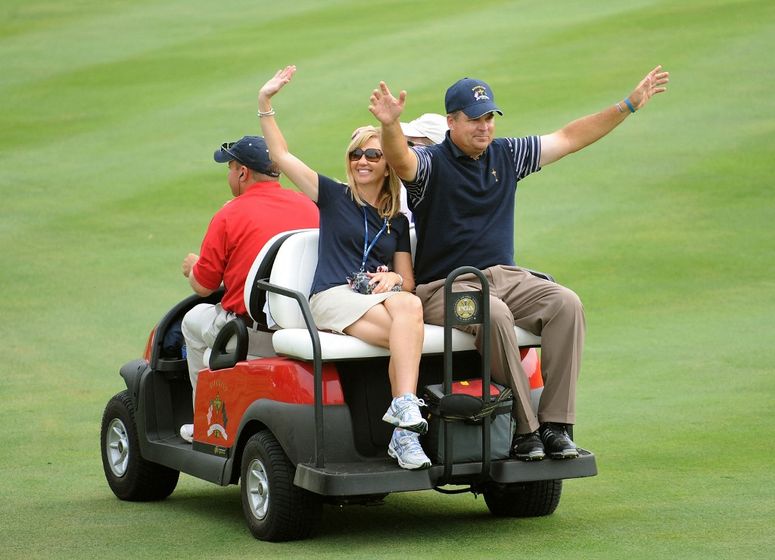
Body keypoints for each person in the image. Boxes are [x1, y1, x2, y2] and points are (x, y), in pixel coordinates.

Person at [369, 66, 669, 461]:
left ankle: (557, 426)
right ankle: (524, 431)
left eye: (489, 117)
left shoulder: (506, 155)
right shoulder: (431, 165)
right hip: (446, 287)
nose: (484, 127)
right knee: (492, 314)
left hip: (506, 277)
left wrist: (627, 105)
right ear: (451, 122)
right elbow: (400, 158)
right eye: (474, 119)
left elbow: (568, 137)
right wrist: (390, 125)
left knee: (566, 304)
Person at [258, 65, 431, 470]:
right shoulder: (334, 197)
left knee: (408, 308)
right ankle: (405, 420)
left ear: (388, 164)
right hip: (333, 296)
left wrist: (393, 277)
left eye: (373, 154)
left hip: (375, 298)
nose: (363, 161)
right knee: (410, 323)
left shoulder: (397, 219)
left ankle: (403, 429)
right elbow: (281, 156)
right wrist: (265, 103)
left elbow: (407, 280)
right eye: (356, 154)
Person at [179, 135, 319, 443]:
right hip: (306, 329)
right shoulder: (310, 205)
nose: (229, 175)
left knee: (192, 321)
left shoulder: (229, 213)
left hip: (250, 336)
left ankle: (203, 421)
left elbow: (204, 286)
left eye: (230, 168)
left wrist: (193, 266)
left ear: (243, 172)